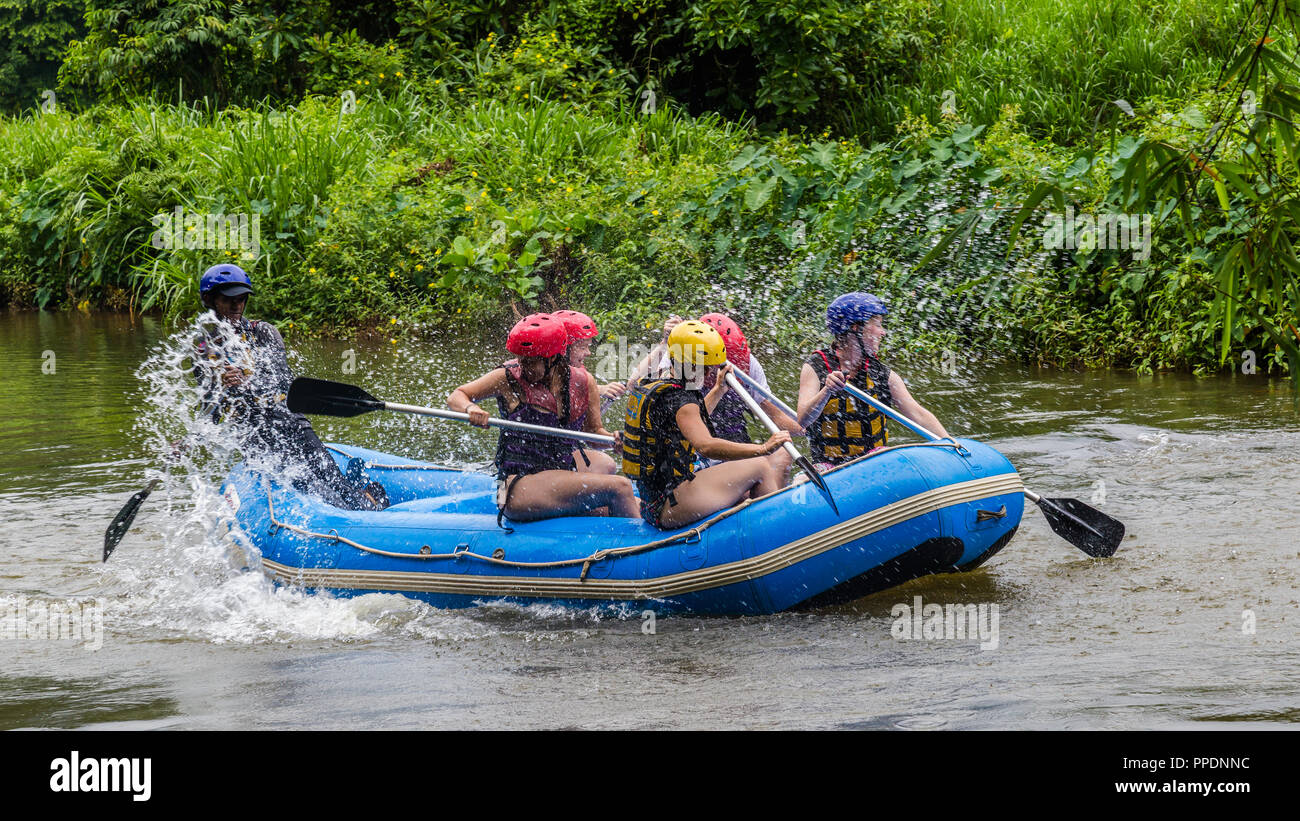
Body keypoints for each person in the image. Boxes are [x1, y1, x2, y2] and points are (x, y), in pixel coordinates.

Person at [193, 263, 388, 510]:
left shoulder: (262, 333)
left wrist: (246, 380)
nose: (236, 305)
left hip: (293, 428)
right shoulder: (204, 352)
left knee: (337, 485)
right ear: (210, 300)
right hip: (256, 444)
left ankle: (372, 500)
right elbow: (213, 412)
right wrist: (191, 438)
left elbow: (283, 382)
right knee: (317, 493)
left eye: (242, 299)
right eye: (229, 299)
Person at [447, 313, 638, 525]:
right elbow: (457, 396)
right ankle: (643, 548)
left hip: (560, 471)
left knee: (608, 470)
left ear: (555, 356)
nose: (523, 365)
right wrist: (470, 407)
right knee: (620, 487)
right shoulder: (508, 377)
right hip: (515, 485)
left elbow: (593, 436)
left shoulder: (584, 382)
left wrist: (615, 441)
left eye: (531, 360)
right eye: (521, 358)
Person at [622, 320, 792, 529]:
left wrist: (719, 390)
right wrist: (762, 448)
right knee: (760, 467)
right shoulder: (681, 400)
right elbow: (706, 446)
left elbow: (693, 421)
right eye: (706, 368)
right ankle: (775, 532)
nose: (710, 374)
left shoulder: (654, 384)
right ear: (692, 365)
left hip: (654, 500)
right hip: (670, 504)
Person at [797, 292, 949, 468]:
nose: (883, 332)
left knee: (884, 453)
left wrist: (949, 442)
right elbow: (803, 419)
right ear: (856, 328)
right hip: (828, 468)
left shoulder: (881, 374)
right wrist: (827, 391)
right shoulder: (815, 366)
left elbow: (918, 414)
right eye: (877, 325)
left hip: (874, 462)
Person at [628, 313, 801, 452]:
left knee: (783, 456)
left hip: (734, 437)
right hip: (692, 446)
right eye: (711, 365)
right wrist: (665, 343)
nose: (712, 371)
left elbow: (774, 414)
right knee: (759, 467)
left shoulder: (747, 364)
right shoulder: (681, 359)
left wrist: (805, 429)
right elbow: (635, 386)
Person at [552, 309, 627, 406]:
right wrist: (597, 390)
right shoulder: (539, 373)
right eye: (582, 347)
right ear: (563, 349)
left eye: (588, 346)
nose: (588, 353)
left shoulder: (577, 369)